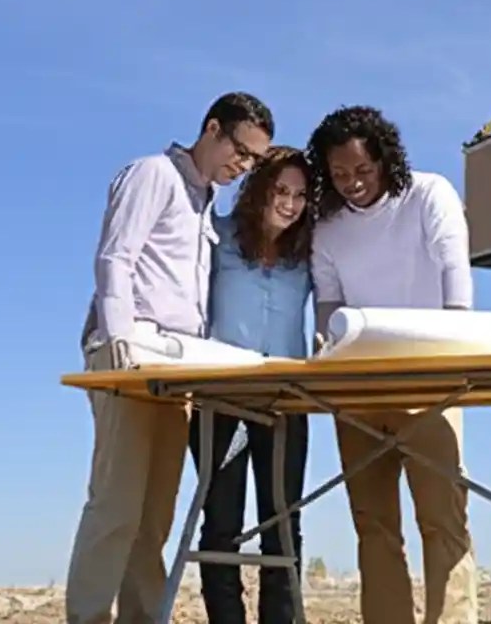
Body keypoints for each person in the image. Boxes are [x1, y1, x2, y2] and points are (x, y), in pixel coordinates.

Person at [66, 92, 275, 624]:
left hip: (177, 366)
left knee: (154, 516)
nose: (243, 166)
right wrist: (118, 350)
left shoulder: (205, 201)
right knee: (115, 505)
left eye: (252, 161)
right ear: (212, 128)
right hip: (130, 354)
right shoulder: (153, 174)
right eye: (242, 152)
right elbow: (116, 257)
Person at [306, 104, 477, 624]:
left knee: (441, 518)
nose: (352, 183)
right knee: (373, 525)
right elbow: (329, 306)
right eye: (338, 174)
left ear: (384, 159)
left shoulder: (428, 194)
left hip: (429, 379)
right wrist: (324, 349)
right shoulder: (328, 226)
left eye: (362, 170)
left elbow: (455, 272)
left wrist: (455, 351)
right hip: (358, 388)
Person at [190, 146, 314, 624]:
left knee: (282, 524)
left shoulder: (307, 252)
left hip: (286, 403)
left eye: (300, 195)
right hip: (221, 401)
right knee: (221, 521)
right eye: (281, 190)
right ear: (258, 187)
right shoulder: (217, 237)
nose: (289, 203)